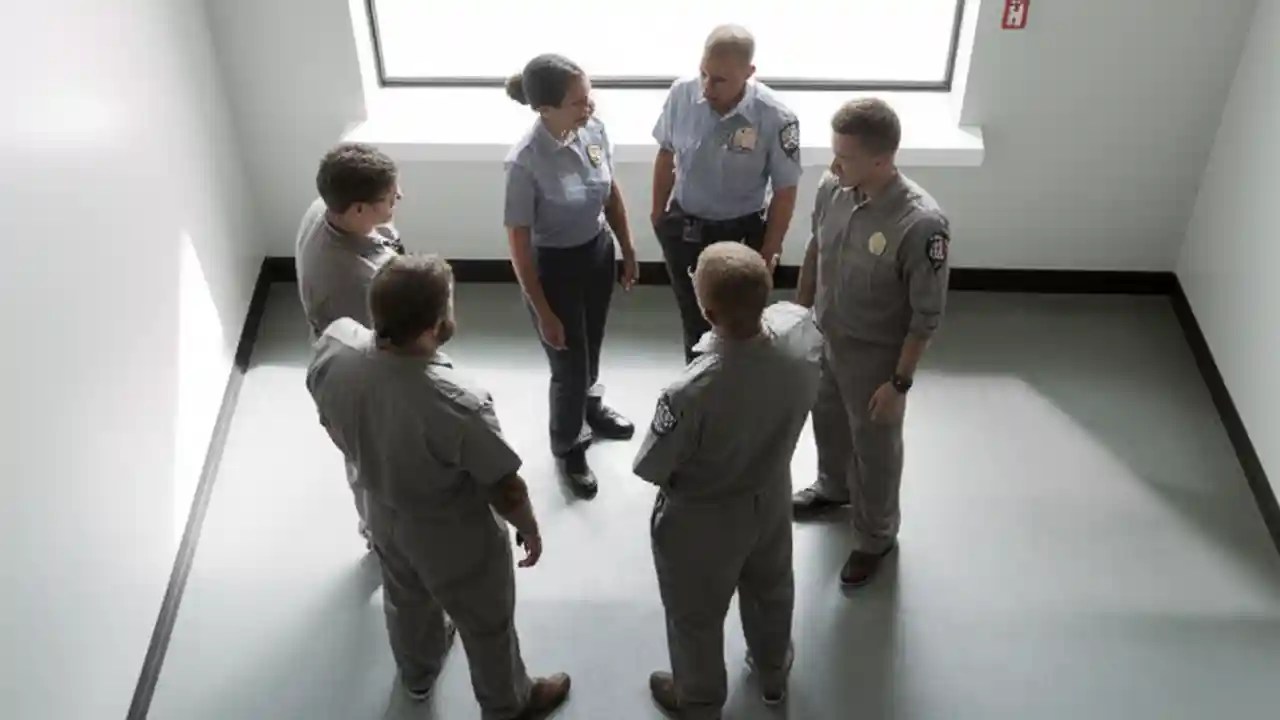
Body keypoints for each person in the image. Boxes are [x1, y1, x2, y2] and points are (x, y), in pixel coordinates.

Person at [305, 254, 572, 719]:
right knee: (486, 623)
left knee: (405, 598)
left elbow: (328, 418)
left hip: (382, 510)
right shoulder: (457, 403)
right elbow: (505, 487)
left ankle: (418, 675)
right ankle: (509, 703)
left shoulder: (336, 345)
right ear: (434, 325)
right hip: (451, 533)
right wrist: (528, 527)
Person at [633, 242, 823, 718]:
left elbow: (652, 465)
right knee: (771, 589)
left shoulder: (689, 391)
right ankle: (772, 671)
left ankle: (698, 699)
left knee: (695, 614)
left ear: (707, 312)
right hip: (771, 493)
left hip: (704, 517)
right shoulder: (801, 336)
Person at [792, 98, 952, 588]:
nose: (834, 164)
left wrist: (899, 383)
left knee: (875, 449)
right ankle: (832, 487)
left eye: (846, 157)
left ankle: (876, 536)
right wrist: (800, 318)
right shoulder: (832, 187)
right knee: (828, 420)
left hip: (876, 355)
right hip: (826, 335)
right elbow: (816, 251)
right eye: (834, 152)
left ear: (882, 160)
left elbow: (926, 315)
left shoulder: (920, 224)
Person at [503, 53, 639, 498]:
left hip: (596, 252)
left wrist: (627, 247)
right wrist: (542, 310)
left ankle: (591, 407)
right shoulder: (524, 162)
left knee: (591, 344)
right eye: (578, 102)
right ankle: (569, 444)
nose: (589, 107)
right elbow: (519, 244)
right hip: (553, 267)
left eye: (589, 96)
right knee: (568, 365)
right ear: (545, 109)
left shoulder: (593, 130)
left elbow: (610, 191)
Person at [651, 24, 803, 363]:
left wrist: (770, 250)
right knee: (694, 319)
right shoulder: (681, 95)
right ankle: (697, 381)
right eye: (703, 74)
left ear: (749, 72)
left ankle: (738, 384)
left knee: (740, 325)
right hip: (686, 228)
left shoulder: (775, 116)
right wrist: (657, 213)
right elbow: (666, 152)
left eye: (719, 80)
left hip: (742, 233)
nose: (707, 87)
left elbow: (785, 188)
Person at [295, 142, 406, 544]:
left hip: (341, 348)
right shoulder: (359, 281)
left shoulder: (322, 208)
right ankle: (380, 534)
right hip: (362, 378)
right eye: (389, 197)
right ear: (358, 209)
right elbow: (389, 346)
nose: (399, 197)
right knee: (372, 464)